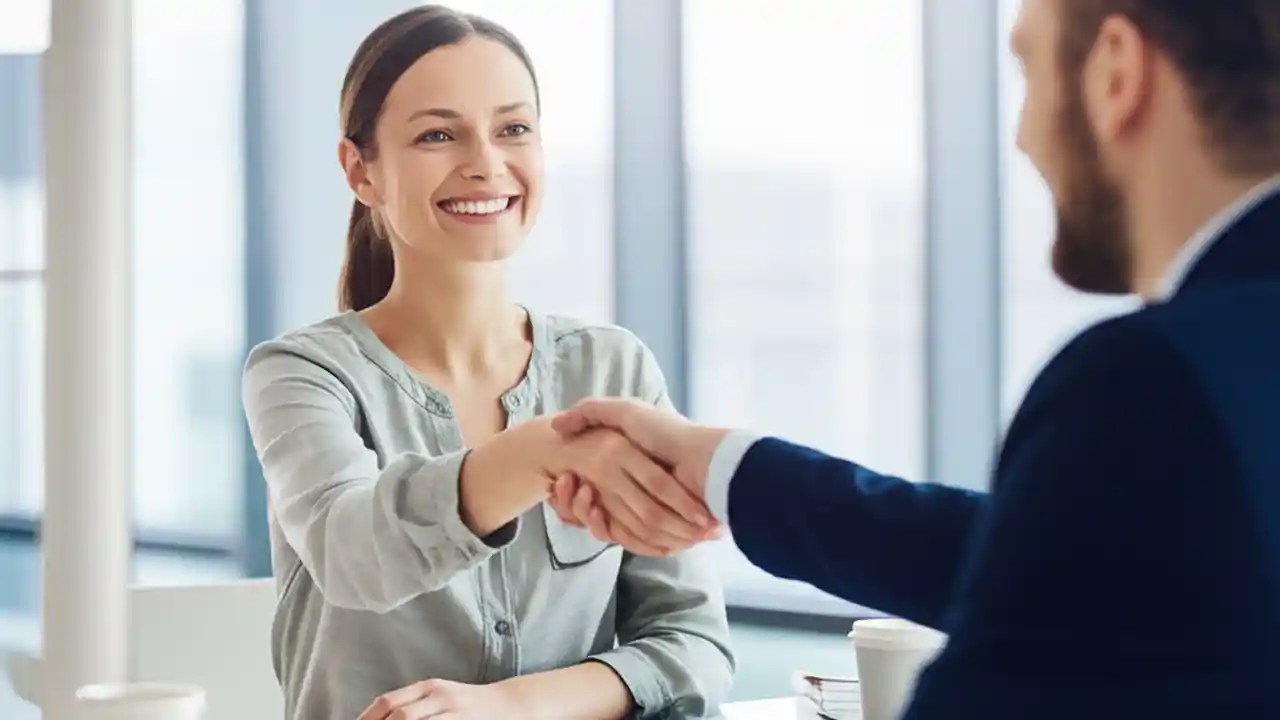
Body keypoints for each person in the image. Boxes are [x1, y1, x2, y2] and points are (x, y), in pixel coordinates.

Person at [550, 0, 1280, 717]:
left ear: (1117, 73)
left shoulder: (1147, 381)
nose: (1023, 136)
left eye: (1028, 70)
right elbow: (1074, 571)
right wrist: (731, 471)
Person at [240, 7, 732, 720]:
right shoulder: (299, 373)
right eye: (438, 134)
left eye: (513, 129)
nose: (485, 163)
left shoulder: (612, 367)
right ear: (361, 171)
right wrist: (538, 453)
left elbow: (692, 646)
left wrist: (512, 706)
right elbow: (351, 553)